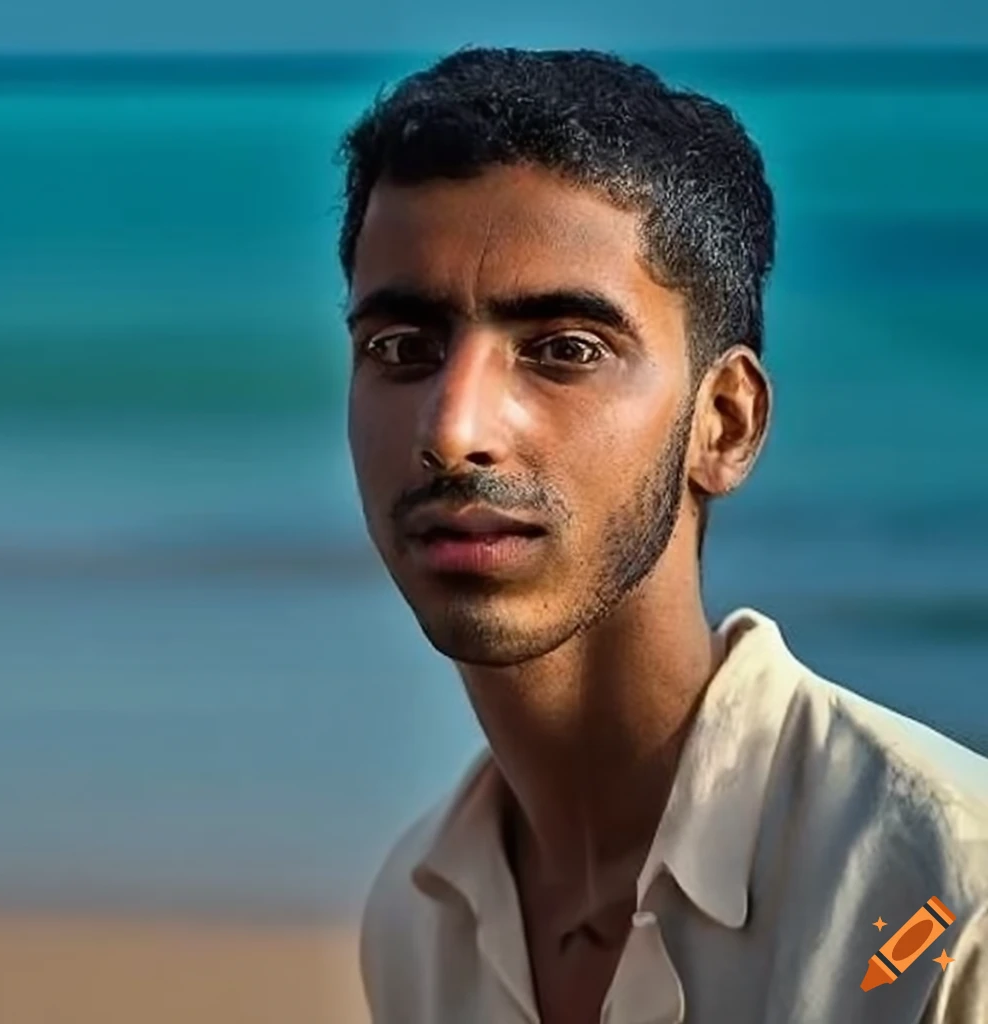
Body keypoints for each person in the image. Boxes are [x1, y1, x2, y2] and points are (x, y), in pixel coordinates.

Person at [336, 47, 988, 1024]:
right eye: (400, 349)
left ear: (722, 423)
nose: (452, 429)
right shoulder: (420, 912)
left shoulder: (947, 891)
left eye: (564, 350)